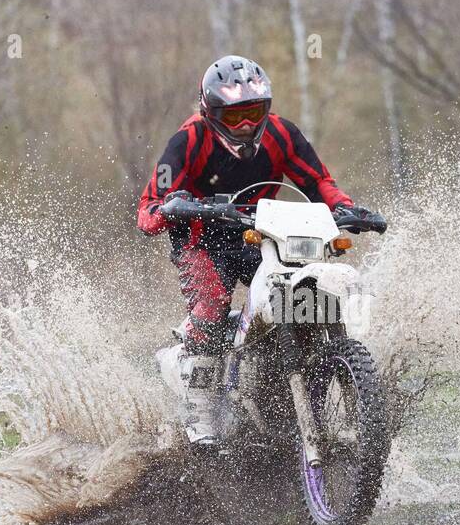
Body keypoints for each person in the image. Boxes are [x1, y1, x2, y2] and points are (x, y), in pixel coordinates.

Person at [137, 54, 361, 443]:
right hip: (201, 239)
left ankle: (306, 383)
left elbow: (319, 181)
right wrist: (168, 209)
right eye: (233, 115)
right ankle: (200, 411)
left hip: (260, 234)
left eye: (254, 111)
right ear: (210, 111)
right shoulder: (188, 140)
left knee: (302, 287)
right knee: (211, 302)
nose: (245, 125)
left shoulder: (282, 134)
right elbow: (149, 206)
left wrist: (344, 207)